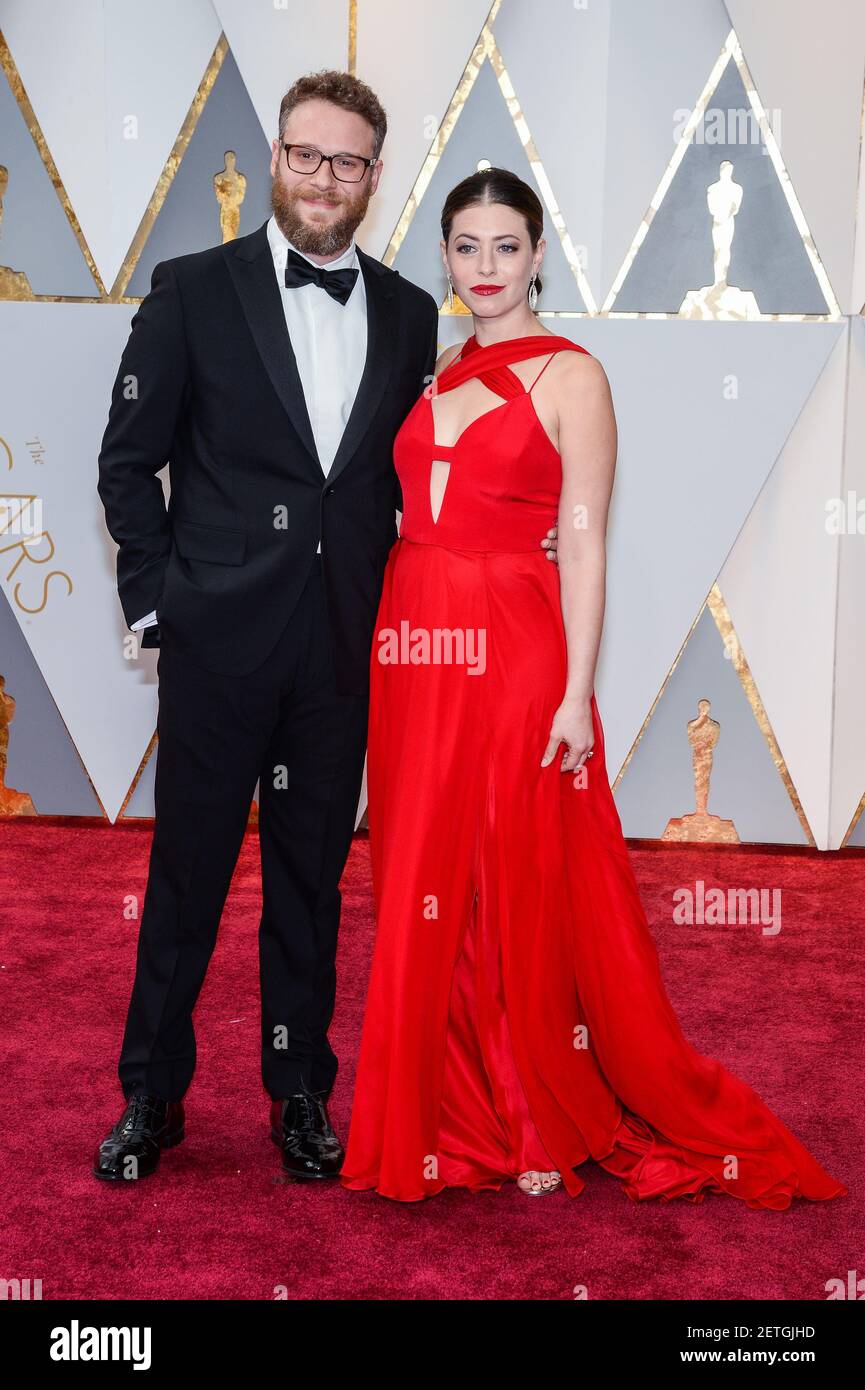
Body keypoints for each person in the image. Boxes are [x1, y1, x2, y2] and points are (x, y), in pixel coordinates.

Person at [339, 166, 848, 1208]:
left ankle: (536, 1110)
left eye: (506, 247)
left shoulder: (573, 376)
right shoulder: (433, 367)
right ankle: (444, 1112)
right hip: (416, 645)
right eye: (467, 247)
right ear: (445, 254)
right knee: (424, 868)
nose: (485, 268)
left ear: (537, 255)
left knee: (517, 875)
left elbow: (583, 543)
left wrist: (575, 691)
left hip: (515, 642)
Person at [93, 72, 556, 1183]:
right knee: (188, 877)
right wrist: (161, 602)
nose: (323, 179)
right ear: (275, 158)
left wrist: (518, 534)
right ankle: (151, 1098)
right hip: (216, 643)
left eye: (347, 162)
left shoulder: (408, 314)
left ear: (372, 177)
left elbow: (431, 469)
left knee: (310, 884)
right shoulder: (192, 290)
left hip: (346, 651)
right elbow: (126, 463)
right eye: (306, 155)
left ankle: (299, 1095)